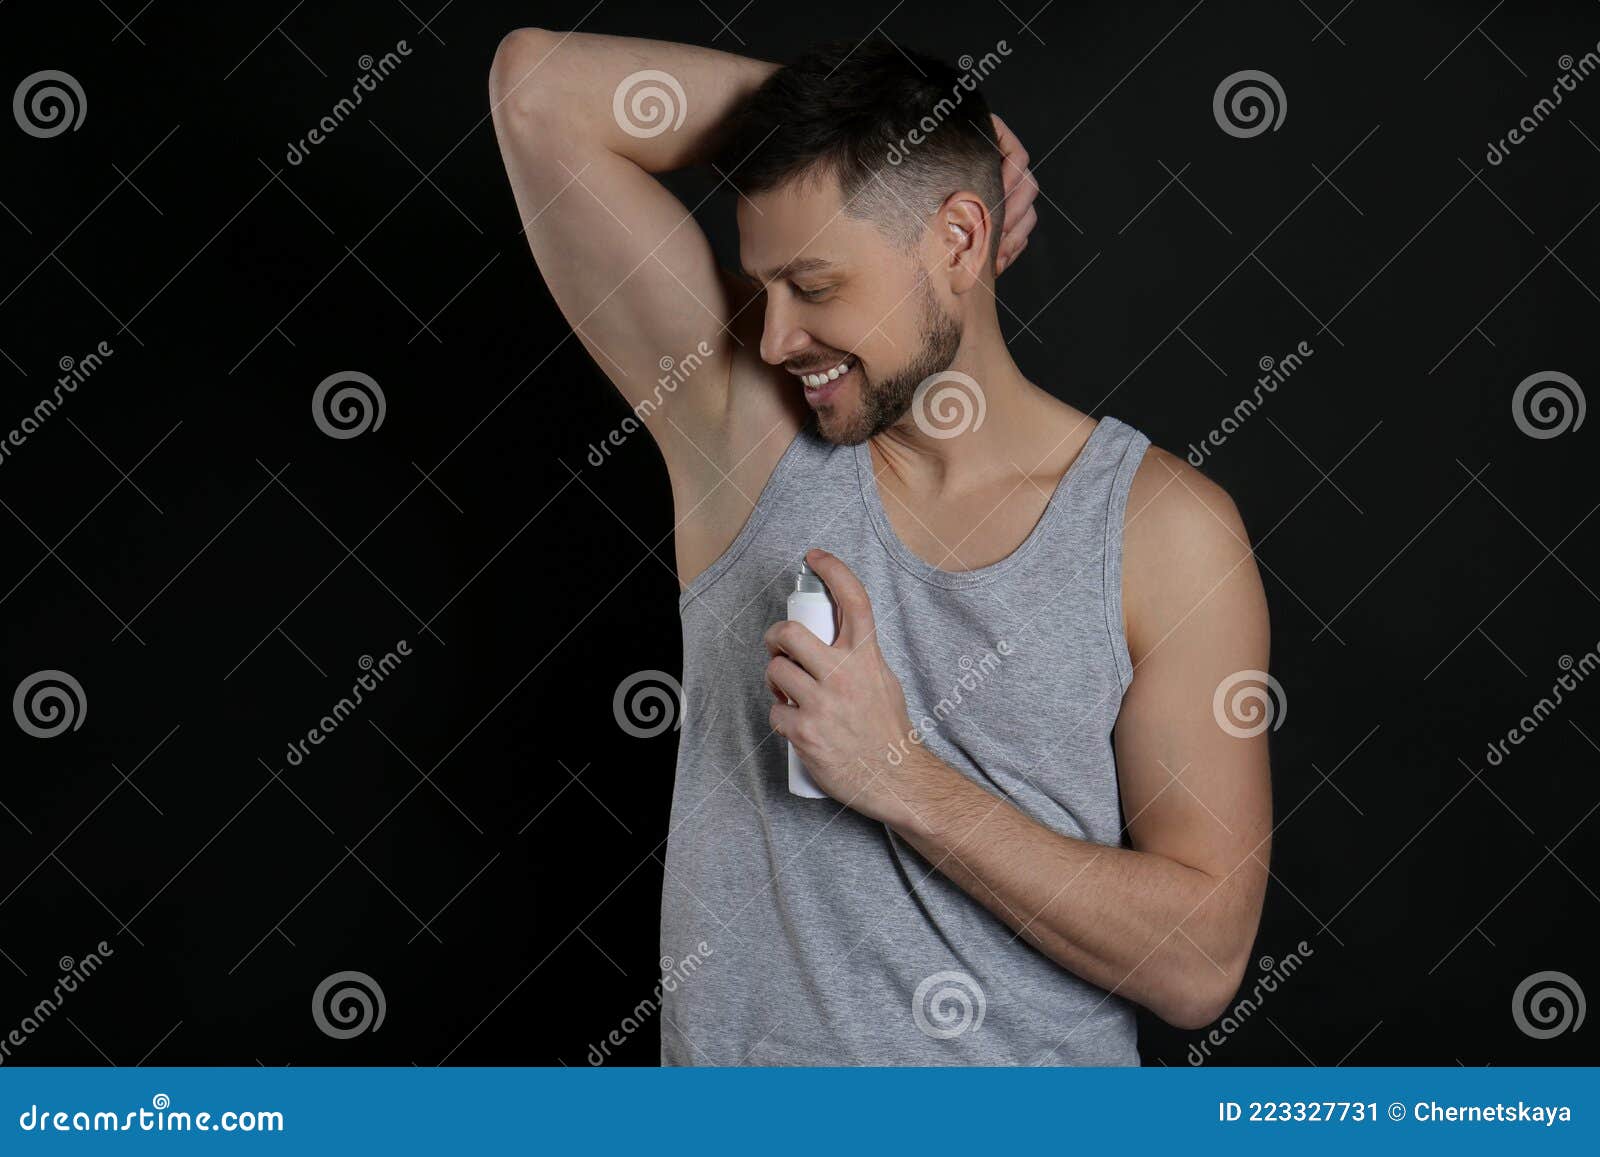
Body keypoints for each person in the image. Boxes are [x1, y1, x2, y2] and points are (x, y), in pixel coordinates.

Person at [489, 28, 1272, 1065]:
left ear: (955, 240)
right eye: (763, 287)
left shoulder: (1164, 533)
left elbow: (1200, 963)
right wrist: (881, 129)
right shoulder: (742, 432)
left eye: (813, 286)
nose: (773, 339)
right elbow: (537, 91)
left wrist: (898, 773)